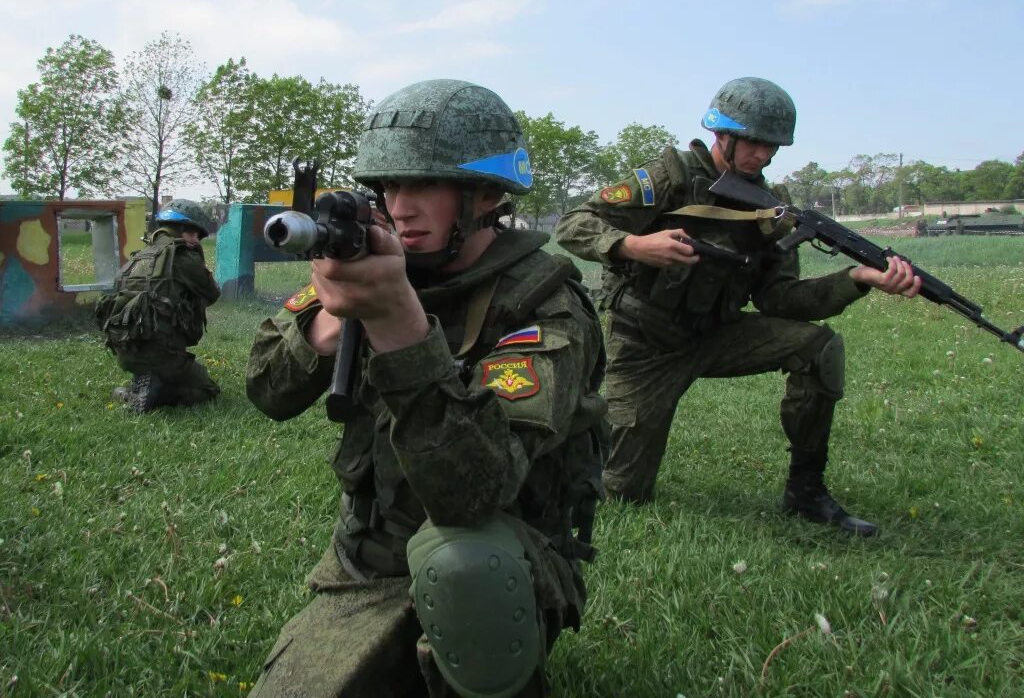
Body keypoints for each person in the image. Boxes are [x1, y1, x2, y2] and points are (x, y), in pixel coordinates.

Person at [246, 79, 607, 697]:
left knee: (467, 568)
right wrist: (329, 324)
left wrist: (399, 326)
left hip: (499, 556)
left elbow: (477, 493)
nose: (400, 204)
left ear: (486, 194)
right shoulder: (370, 263)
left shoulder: (544, 305)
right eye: (388, 186)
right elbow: (266, 390)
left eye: (423, 185)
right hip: (370, 563)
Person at [554, 77, 921, 537]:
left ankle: (805, 491)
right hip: (648, 345)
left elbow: (780, 300)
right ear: (720, 133)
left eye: (772, 147)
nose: (763, 156)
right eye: (754, 143)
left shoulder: (772, 210)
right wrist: (632, 244)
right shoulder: (669, 176)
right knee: (623, 489)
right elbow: (574, 224)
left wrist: (857, 279)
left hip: (718, 335)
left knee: (818, 348)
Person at [96, 199, 221, 412]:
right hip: (163, 354)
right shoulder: (182, 257)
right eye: (195, 234)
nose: (196, 240)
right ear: (184, 230)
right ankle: (152, 393)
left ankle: (137, 387)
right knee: (207, 390)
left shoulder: (138, 257)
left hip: (126, 352)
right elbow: (212, 293)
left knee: (162, 370)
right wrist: (198, 257)